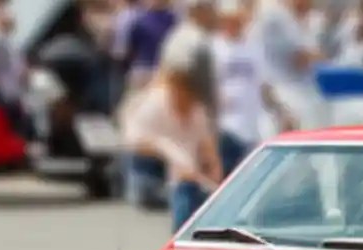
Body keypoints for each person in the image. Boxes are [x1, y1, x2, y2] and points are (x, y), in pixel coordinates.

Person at [121, 33, 222, 230]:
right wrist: (166, 150)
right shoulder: (155, 104)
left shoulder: (197, 111)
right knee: (183, 192)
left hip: (188, 178)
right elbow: (133, 140)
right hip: (151, 175)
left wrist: (213, 172)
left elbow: (208, 150)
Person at [211, 0, 294, 175]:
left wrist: (280, 111)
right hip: (224, 126)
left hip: (251, 125)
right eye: (229, 20)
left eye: (237, 20)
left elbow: (264, 85)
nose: (233, 24)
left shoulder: (254, 48)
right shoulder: (214, 48)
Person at [250, 0, 324, 128]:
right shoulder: (275, 15)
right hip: (284, 93)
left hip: (301, 92)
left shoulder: (303, 19)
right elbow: (299, 58)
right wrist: (323, 58)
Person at [120, 0, 179, 90]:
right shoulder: (140, 20)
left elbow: (130, 50)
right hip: (151, 69)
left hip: (154, 70)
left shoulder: (172, 20)